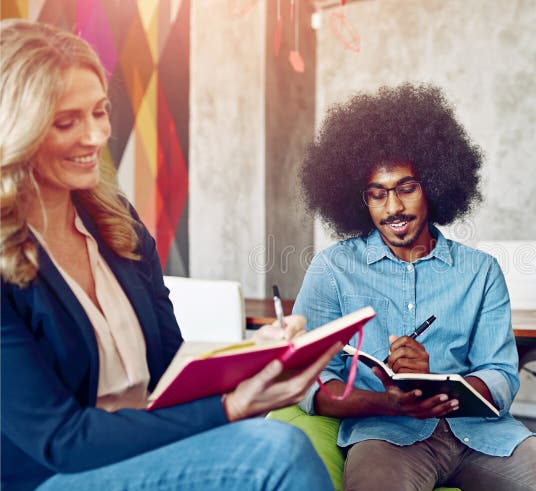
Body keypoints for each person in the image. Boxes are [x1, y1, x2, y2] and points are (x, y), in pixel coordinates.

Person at [0, 19, 339, 491]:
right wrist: (230, 407)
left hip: (147, 451)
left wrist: (255, 359)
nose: (96, 136)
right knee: (275, 452)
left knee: (272, 436)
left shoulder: (119, 228)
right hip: (52, 476)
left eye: (100, 111)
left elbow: (170, 370)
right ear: (17, 129)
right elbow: (60, 441)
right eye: (66, 122)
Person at [293, 83, 536, 491]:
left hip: (484, 437)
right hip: (386, 437)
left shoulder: (480, 271)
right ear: (359, 200)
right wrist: (393, 401)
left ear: (434, 185)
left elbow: (502, 374)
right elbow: (312, 383)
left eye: (406, 188)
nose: (394, 209)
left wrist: (438, 387)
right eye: (377, 194)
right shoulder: (332, 269)